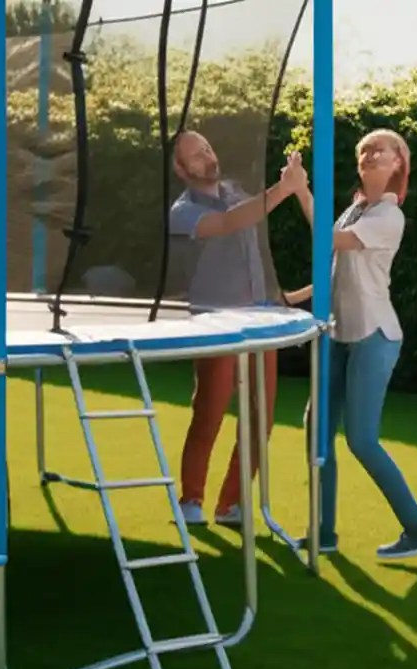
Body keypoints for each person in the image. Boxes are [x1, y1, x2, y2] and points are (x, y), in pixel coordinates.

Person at [293, 128, 417, 559]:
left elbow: (330, 242)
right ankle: (324, 532)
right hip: (338, 334)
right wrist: (291, 298)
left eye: (381, 150)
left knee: (361, 440)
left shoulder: (389, 217)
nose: (370, 154)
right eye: (364, 150)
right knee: (317, 430)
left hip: (374, 336)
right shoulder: (355, 210)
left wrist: (300, 191)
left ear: (399, 164)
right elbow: (336, 268)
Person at [166, 130, 311, 527]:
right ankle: (190, 500)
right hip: (214, 321)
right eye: (196, 155)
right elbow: (231, 223)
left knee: (260, 417)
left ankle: (231, 503)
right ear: (181, 169)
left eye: (209, 147)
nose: (207, 157)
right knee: (210, 409)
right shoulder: (183, 212)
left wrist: (300, 294)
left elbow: (254, 264)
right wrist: (285, 189)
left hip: (259, 320)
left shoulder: (235, 192)